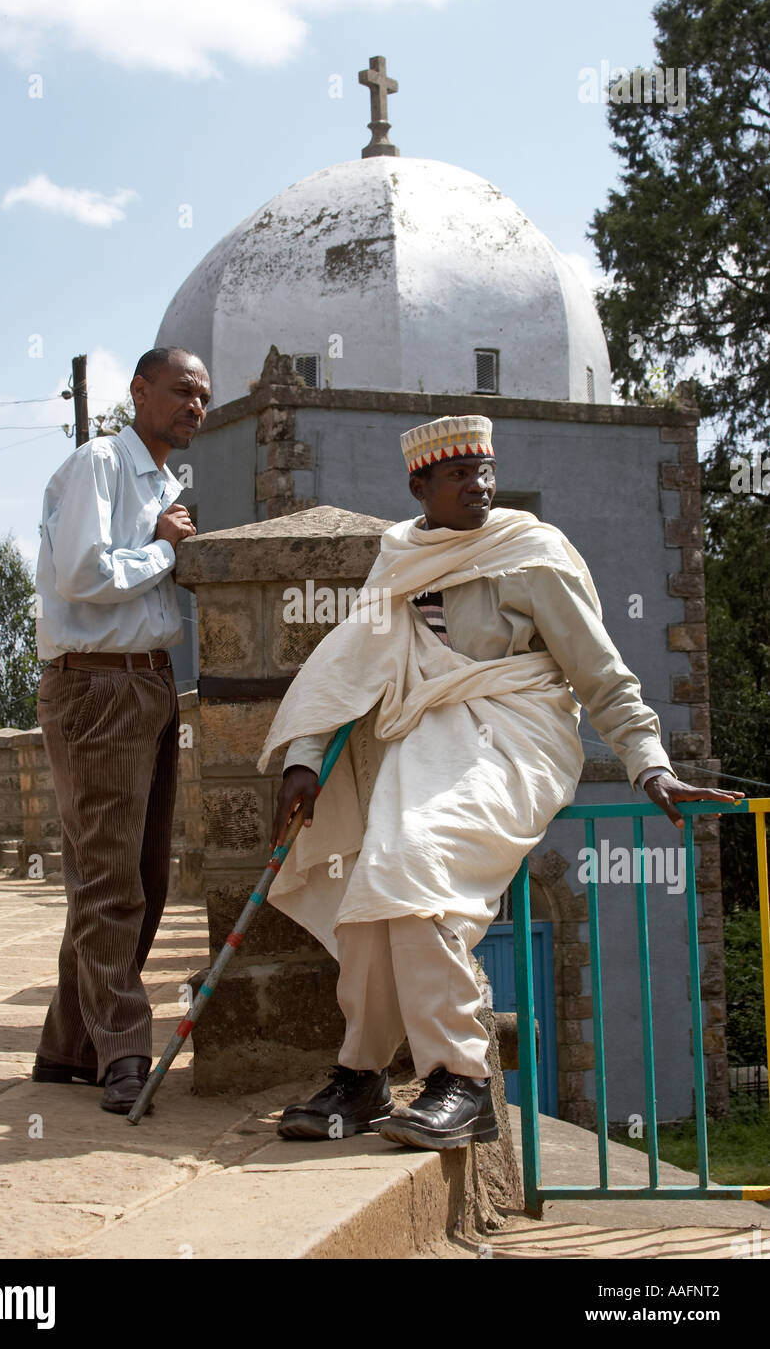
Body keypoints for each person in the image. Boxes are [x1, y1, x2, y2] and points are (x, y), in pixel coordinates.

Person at [260, 415, 742, 1150]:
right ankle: (360, 1077)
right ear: (420, 486)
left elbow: (600, 672)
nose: (480, 485)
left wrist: (650, 763)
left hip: (518, 739)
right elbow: (348, 667)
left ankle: (465, 1081)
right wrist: (304, 757)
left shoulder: (531, 554)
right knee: (372, 890)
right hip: (422, 744)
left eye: (485, 471)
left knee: (415, 864)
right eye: (458, 475)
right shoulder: (400, 558)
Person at [31, 346, 209, 1115]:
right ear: (138, 391)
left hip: (146, 682)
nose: (193, 406)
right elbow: (83, 575)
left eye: (202, 397)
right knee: (111, 882)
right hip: (97, 683)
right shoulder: (100, 465)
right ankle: (124, 1053)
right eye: (179, 392)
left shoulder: (162, 482)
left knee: (142, 874)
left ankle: (66, 1045)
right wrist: (166, 548)